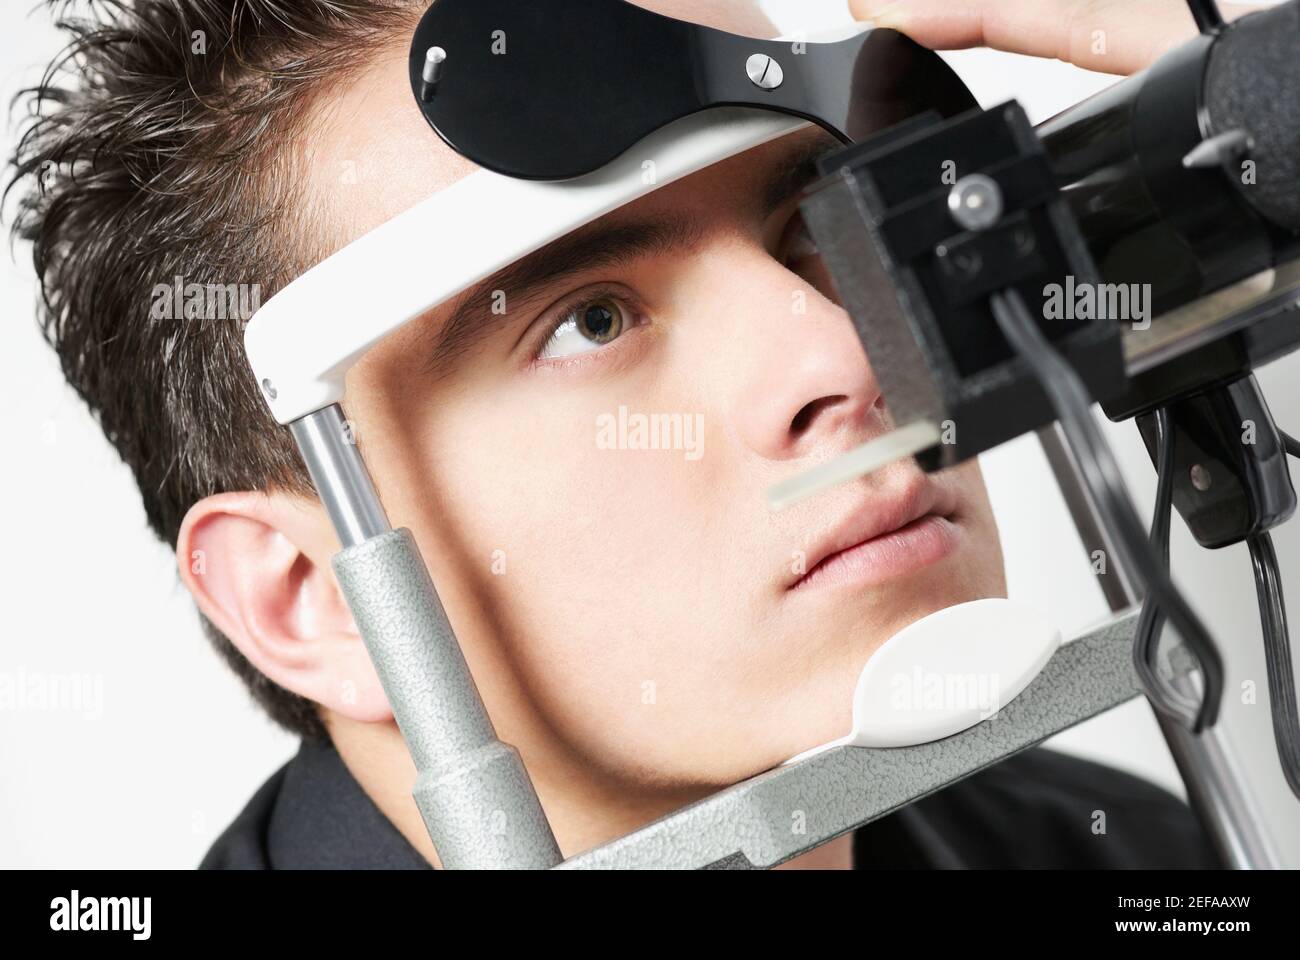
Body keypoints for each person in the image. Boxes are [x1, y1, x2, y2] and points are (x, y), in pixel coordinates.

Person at [8, 0, 1238, 869]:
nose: (850, 354)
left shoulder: (1131, 851)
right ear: (309, 600)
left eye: (817, 227)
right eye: (589, 319)